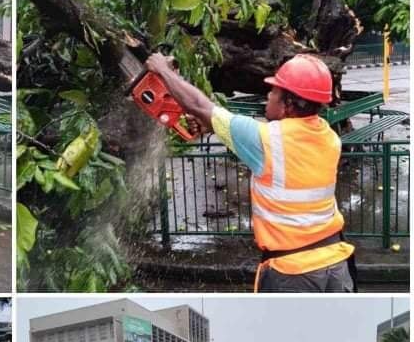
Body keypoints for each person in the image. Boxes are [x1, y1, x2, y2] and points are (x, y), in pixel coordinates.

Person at [144, 52, 356, 292]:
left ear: (288, 103)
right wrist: (214, 127)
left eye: (274, 91)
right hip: (336, 263)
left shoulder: (265, 141)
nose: (268, 95)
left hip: (294, 272)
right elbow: (278, 148)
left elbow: (199, 106)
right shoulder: (328, 137)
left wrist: (164, 71)